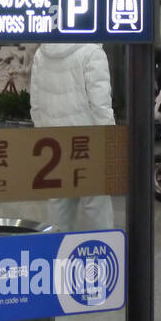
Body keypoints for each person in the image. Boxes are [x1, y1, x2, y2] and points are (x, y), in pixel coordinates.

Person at [29, 42, 116, 231]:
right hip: (87, 143)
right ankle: (100, 252)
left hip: (54, 143)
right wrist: (110, 142)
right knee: (95, 204)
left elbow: (35, 103)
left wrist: (43, 135)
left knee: (58, 203)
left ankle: (58, 253)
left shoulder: (41, 53)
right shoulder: (92, 53)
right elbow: (100, 106)